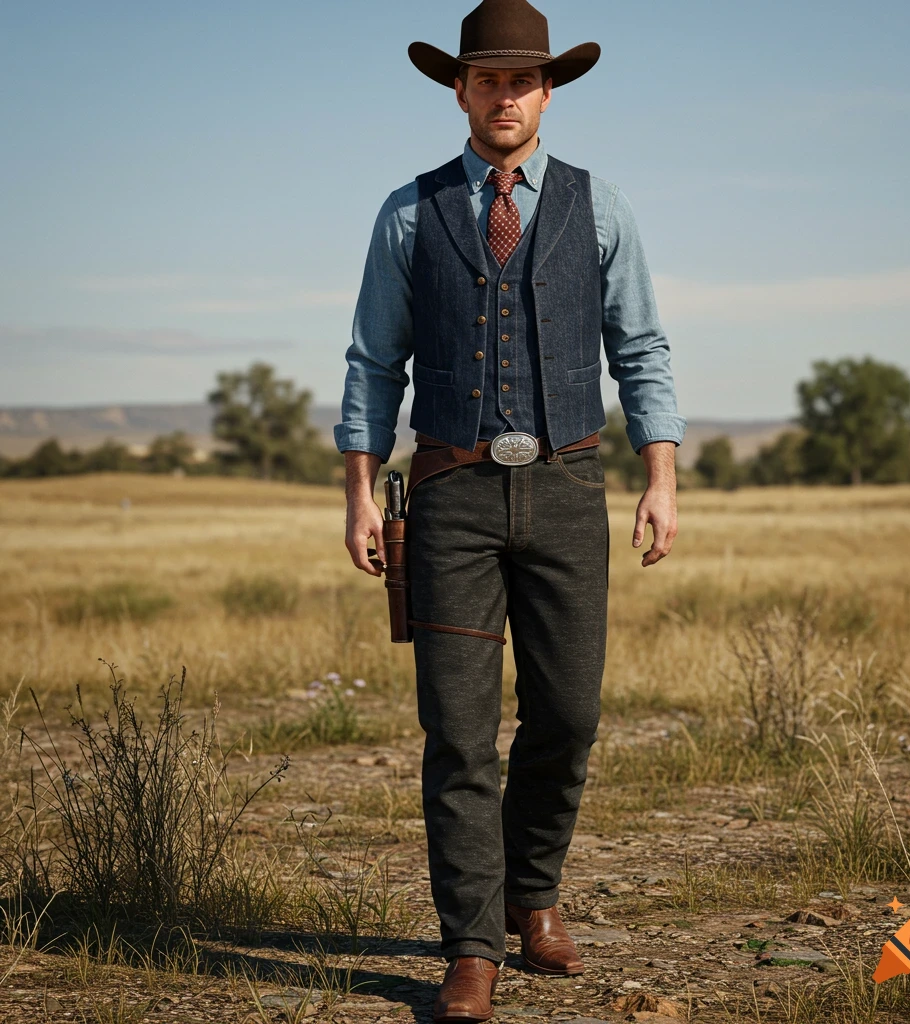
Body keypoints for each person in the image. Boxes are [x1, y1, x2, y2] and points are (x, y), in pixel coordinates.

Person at [335, 1, 685, 1019]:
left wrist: (659, 476)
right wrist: (359, 494)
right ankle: (472, 947)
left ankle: (534, 895)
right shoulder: (409, 212)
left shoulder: (600, 207)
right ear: (459, 89)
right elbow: (370, 364)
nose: (504, 96)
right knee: (456, 729)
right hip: (446, 492)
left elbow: (642, 351)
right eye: (486, 79)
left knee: (568, 714)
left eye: (520, 80)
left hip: (573, 485)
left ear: (547, 91)